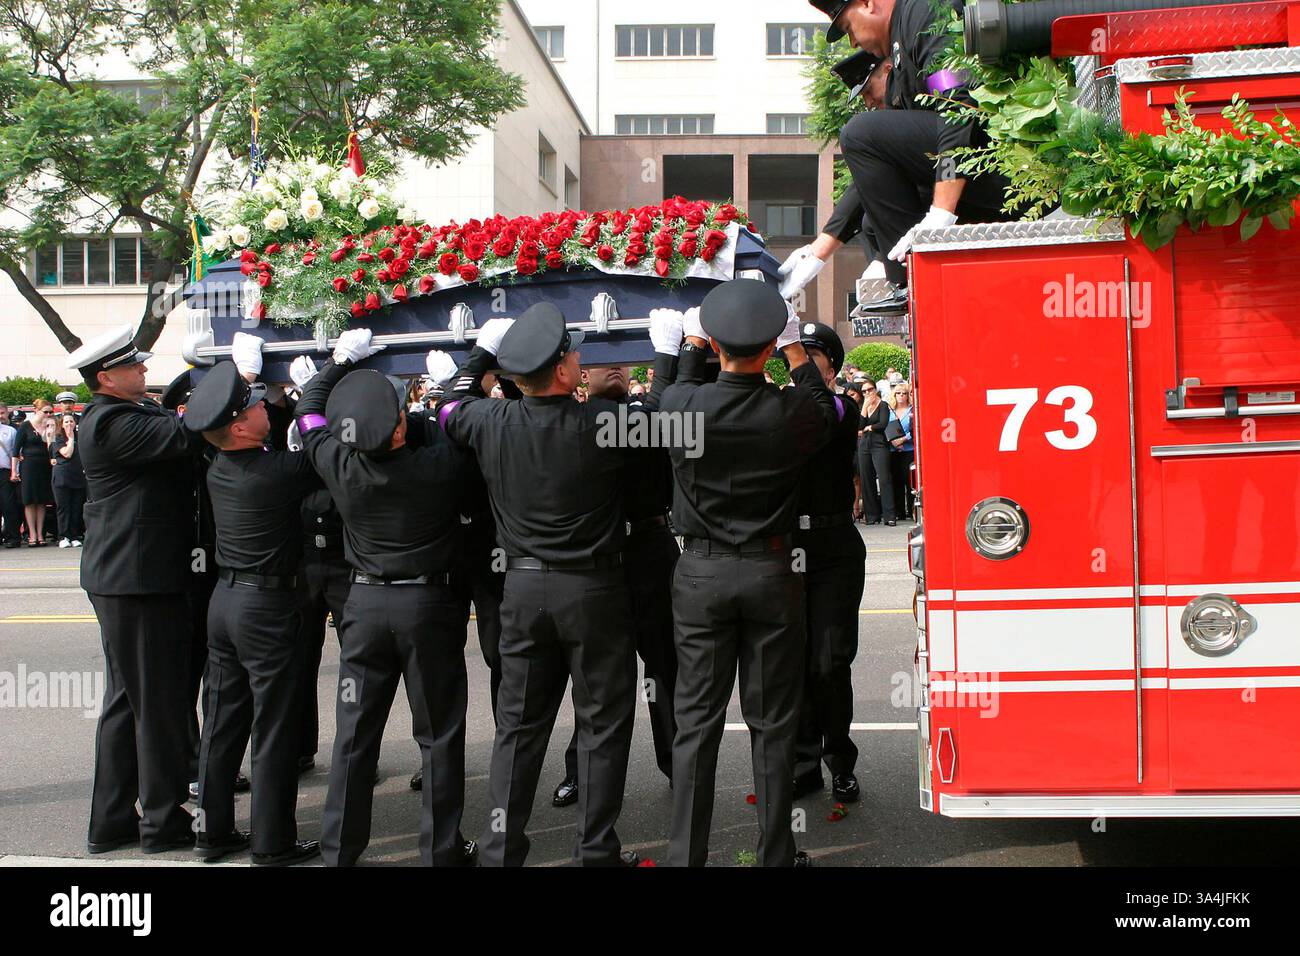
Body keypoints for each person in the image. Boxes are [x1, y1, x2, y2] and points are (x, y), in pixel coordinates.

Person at [432, 303, 680, 866]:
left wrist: (482, 355)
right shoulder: (604, 425)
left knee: (518, 729)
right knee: (601, 725)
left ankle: (499, 850)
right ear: (566, 373)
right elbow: (668, 415)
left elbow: (449, 406)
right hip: (593, 593)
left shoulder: (487, 422)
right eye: (574, 354)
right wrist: (667, 355)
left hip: (520, 594)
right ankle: (595, 849)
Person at [659, 280, 839, 868]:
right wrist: (792, 349)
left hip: (701, 572)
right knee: (773, 724)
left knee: (696, 726)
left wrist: (687, 344)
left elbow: (673, 391)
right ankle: (775, 855)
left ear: (713, 343)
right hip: (771, 570)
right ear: (769, 347)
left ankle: (687, 856)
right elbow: (821, 406)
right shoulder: (789, 412)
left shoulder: (683, 409)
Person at [295, 329, 475, 868]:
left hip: (364, 611)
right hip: (427, 610)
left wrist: (337, 362)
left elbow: (308, 415)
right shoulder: (439, 465)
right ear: (401, 425)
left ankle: (339, 850)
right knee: (438, 734)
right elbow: (457, 424)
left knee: (354, 735)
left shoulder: (339, 464)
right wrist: (450, 384)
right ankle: (442, 850)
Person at [184, 346, 321, 867]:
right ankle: (272, 843)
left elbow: (276, 442)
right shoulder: (275, 474)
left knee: (221, 723)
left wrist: (283, 401)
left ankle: (212, 832)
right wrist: (313, 395)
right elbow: (320, 451)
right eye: (257, 406)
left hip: (226, 603)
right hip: (266, 609)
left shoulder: (220, 464)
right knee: (274, 729)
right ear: (240, 427)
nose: (267, 406)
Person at [69, 324, 198, 854]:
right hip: (137, 579)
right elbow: (188, 433)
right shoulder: (112, 423)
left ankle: (112, 821)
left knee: (127, 702)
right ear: (106, 378)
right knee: (159, 706)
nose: (144, 370)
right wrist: (240, 380)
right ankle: (163, 821)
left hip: (125, 576)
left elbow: (170, 420)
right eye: (134, 367)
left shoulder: (122, 414)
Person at [809, 0, 1016, 309]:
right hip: (980, 172)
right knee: (869, 223)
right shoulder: (901, 44)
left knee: (859, 132)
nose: (853, 42)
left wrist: (941, 213)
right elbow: (876, 173)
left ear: (868, 4)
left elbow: (957, 105)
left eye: (849, 28)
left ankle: (914, 277)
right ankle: (906, 281)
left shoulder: (925, 12)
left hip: (1010, 170)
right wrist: (819, 249)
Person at [551, 364, 681, 807]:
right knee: (595, 677)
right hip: (599, 556)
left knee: (665, 666)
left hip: (650, 546)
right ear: (580, 374)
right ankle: (581, 769)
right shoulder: (575, 421)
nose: (613, 368)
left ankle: (677, 764)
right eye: (601, 361)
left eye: (620, 361)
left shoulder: (649, 415)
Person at [787, 322, 867, 806]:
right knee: (795, 664)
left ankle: (840, 761)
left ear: (831, 368)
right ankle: (802, 764)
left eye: (810, 356)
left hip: (835, 545)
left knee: (831, 663)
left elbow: (829, 416)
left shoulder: (844, 406)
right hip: (790, 546)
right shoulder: (788, 409)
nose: (798, 364)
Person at [285, 357, 353, 777]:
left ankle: (355, 754)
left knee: (357, 671)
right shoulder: (293, 445)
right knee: (297, 661)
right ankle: (299, 747)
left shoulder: (342, 444)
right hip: (304, 566)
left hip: (344, 566)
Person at [16, 399, 54, 546]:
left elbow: (52, 447)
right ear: (36, 411)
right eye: (46, 412)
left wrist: (49, 430)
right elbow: (15, 450)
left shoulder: (51, 425)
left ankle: (40, 534)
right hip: (29, 466)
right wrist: (14, 471)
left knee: (42, 501)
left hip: (45, 466)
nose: (49, 414)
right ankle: (32, 534)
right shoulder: (25, 426)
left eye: (51, 412)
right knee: (30, 501)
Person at [858, 381, 895, 525]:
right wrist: (865, 408)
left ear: (876, 389)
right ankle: (872, 515)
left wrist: (869, 427)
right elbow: (859, 426)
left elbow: (883, 424)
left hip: (879, 444)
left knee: (884, 478)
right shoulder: (864, 407)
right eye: (864, 391)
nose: (867, 393)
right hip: (864, 445)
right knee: (867, 479)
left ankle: (889, 515)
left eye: (870, 389)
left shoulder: (883, 405)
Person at [50, 413, 86, 547]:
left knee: (76, 507)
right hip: (62, 477)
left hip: (78, 476)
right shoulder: (58, 438)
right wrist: (70, 438)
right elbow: (67, 453)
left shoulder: (80, 437)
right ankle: (63, 536)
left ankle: (74, 535)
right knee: (63, 507)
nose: (69, 424)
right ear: (61, 424)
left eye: (71, 421)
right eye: (66, 422)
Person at [888, 380, 915, 521]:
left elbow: (915, 428)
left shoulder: (912, 410)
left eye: (904, 393)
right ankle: (899, 511)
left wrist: (903, 439)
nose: (901, 396)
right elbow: (886, 427)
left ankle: (911, 510)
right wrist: (893, 441)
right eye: (898, 393)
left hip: (908, 449)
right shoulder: (890, 410)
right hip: (893, 450)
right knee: (896, 481)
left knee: (909, 481)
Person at [0, 404, 22, 548]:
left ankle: (13, 536)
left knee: (8, 505)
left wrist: (16, 471)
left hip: (5, 472)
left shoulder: (10, 431)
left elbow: (17, 453)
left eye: (2, 412)